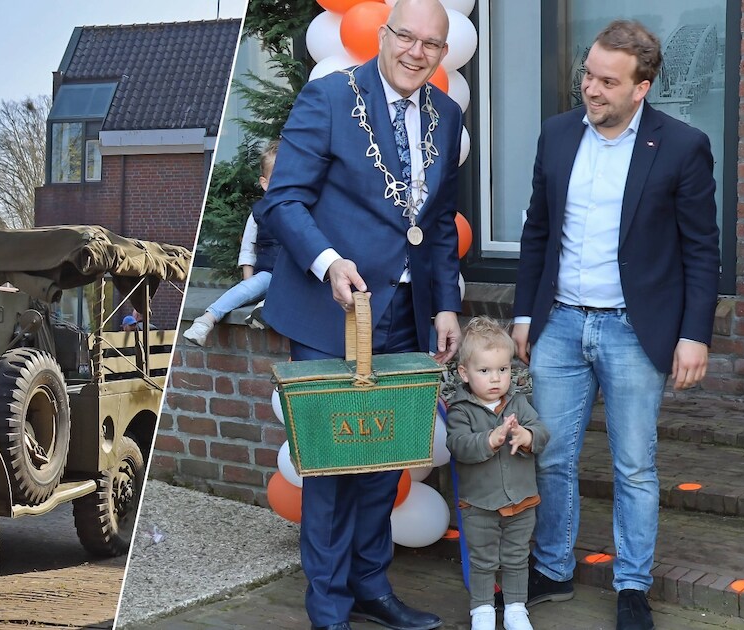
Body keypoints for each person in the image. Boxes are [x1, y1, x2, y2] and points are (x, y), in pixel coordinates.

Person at [254, 1, 464, 628]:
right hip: (330, 312)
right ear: (383, 35)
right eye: (406, 37)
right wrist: (326, 261)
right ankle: (328, 607)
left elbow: (441, 227)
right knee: (332, 465)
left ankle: (372, 586)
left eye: (432, 44)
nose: (417, 53)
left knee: (386, 463)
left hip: (406, 314)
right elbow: (283, 199)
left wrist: (448, 304)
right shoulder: (328, 98)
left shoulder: (447, 116)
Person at [511, 19, 720, 630]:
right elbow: (537, 232)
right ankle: (552, 568)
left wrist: (694, 333)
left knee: (634, 465)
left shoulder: (681, 146)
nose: (591, 90)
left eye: (607, 81)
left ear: (642, 87)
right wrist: (526, 313)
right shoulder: (555, 136)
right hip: (561, 324)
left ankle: (632, 585)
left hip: (637, 329)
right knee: (551, 457)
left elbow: (701, 249)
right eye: (587, 75)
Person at [445, 317, 549, 630]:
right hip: (478, 503)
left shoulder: (518, 402)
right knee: (483, 559)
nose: (496, 378)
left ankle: (517, 608)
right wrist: (490, 439)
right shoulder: (460, 409)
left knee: (517, 556)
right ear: (464, 373)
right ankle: (482, 611)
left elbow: (541, 432)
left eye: (502, 370)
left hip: (521, 498)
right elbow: (459, 445)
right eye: (485, 371)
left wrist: (527, 437)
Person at [183, 139, 280, 346]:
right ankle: (206, 320)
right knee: (246, 289)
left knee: (288, 289)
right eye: (276, 178)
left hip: (292, 278)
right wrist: (248, 280)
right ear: (264, 183)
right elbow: (248, 249)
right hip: (267, 273)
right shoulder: (258, 213)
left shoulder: (302, 210)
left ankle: (264, 309)